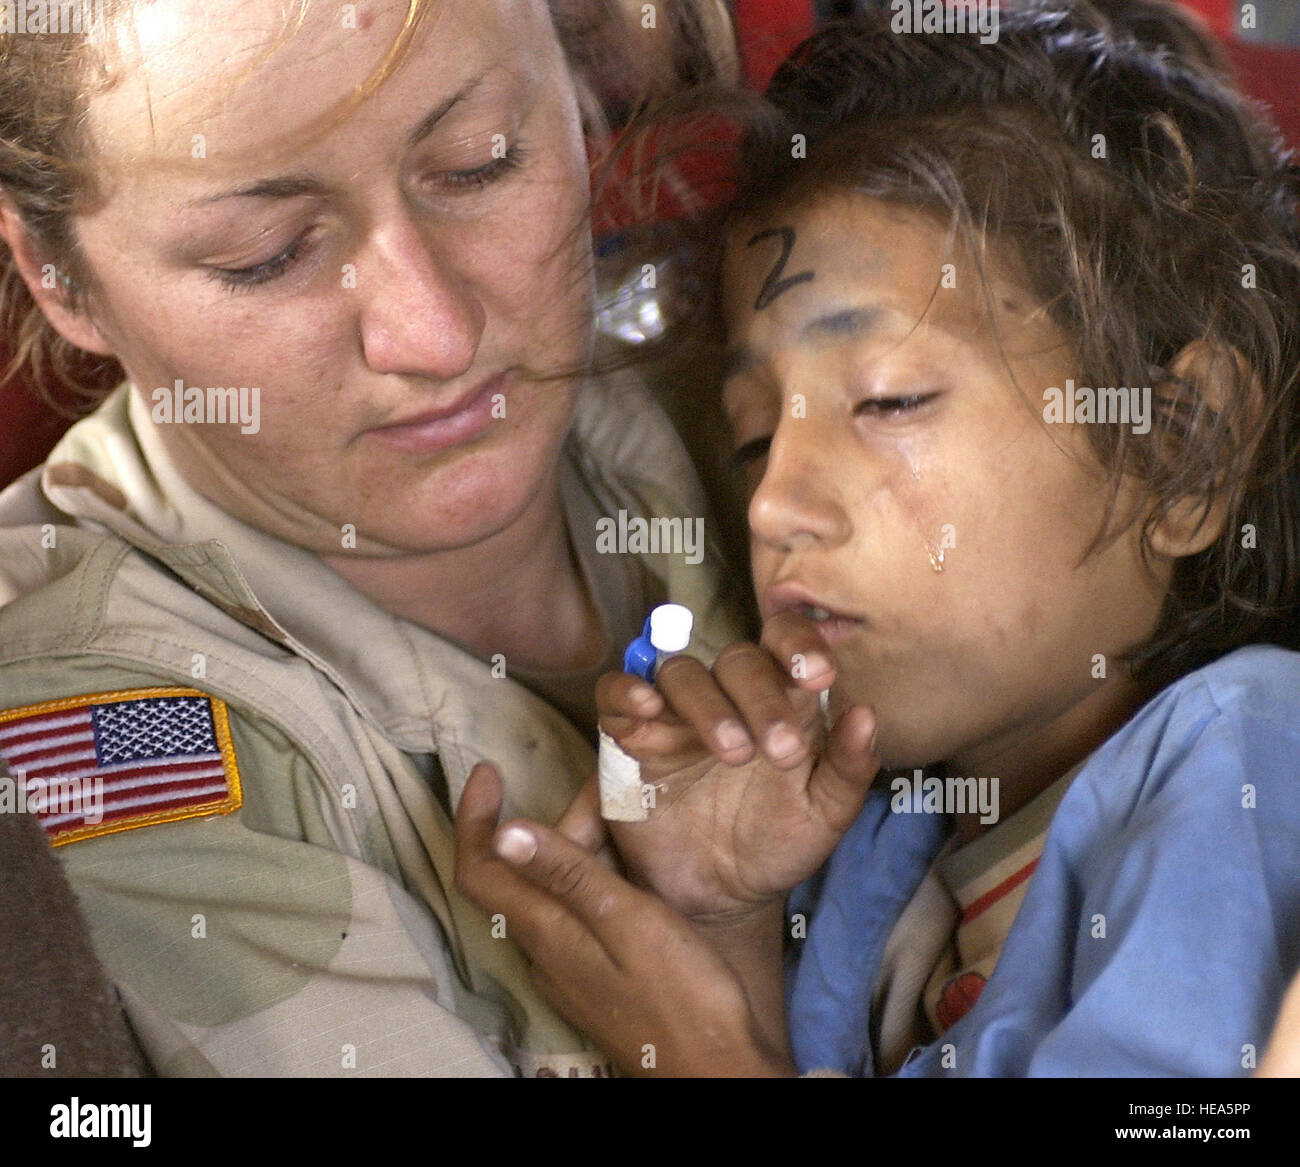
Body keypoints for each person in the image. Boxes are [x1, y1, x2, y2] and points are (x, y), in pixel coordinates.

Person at [455, 5, 1300, 1076]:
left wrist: (699, 1058)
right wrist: (724, 923)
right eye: (755, 440)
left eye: (889, 401)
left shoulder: (1250, 768)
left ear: (1180, 448)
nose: (773, 507)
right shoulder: (878, 846)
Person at [0, 0, 745, 1077]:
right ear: (55, 275)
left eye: (479, 163)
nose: (433, 335)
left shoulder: (769, 409)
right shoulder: (83, 729)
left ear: (578, 84)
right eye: (264, 257)